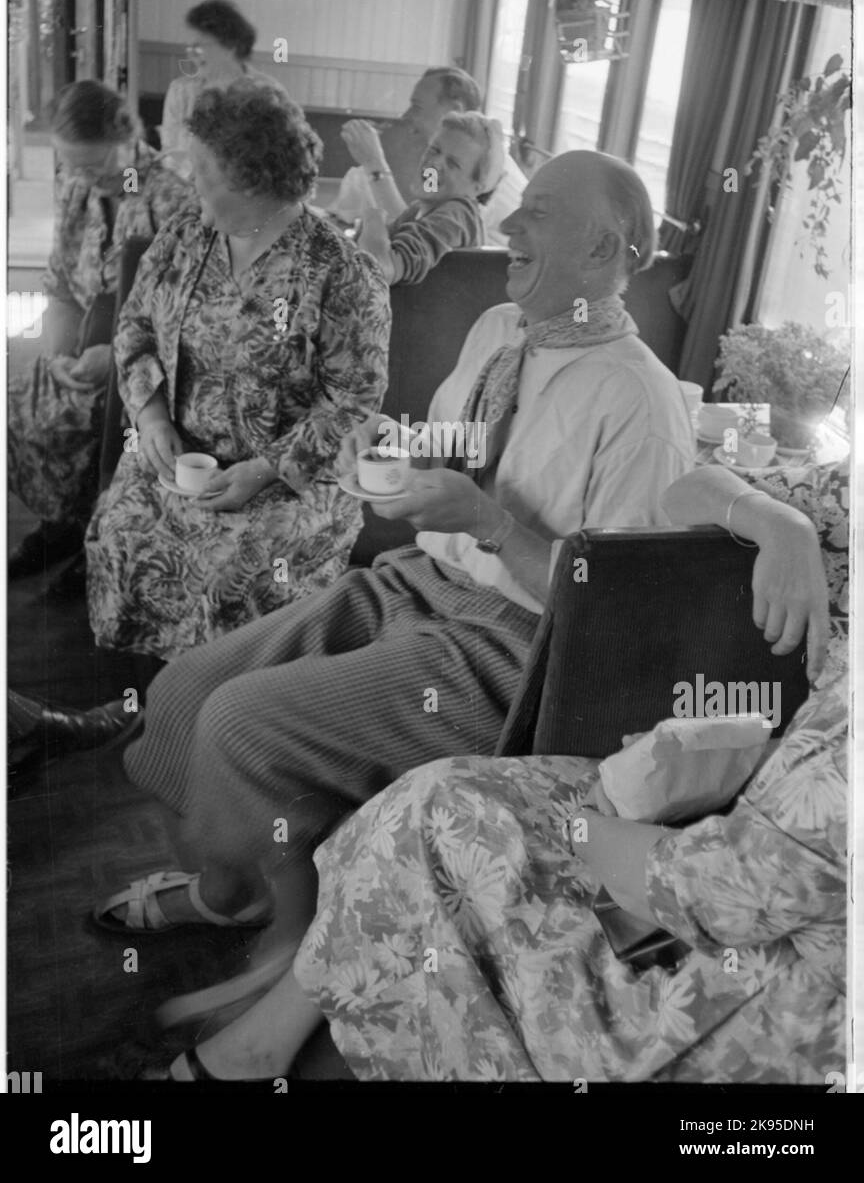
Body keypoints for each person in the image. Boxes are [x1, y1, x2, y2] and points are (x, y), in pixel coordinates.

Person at [67, 148, 694, 942]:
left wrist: (491, 525)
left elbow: (617, 619)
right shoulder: (502, 328)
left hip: (518, 648)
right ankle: (275, 867)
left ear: (602, 249)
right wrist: (393, 440)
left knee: (241, 722)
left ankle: (239, 902)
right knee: (187, 688)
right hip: (419, 583)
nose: (507, 223)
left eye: (536, 212)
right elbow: (455, 444)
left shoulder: (642, 402)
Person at [148, 457, 848, 1083]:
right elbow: (687, 487)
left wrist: (578, 824)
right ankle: (271, 1008)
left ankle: (288, 1002)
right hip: (732, 763)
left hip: (749, 942)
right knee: (425, 798)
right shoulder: (843, 501)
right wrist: (778, 520)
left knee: (413, 820)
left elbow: (711, 890)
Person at [84, 79, 390, 659]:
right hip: (178, 458)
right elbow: (135, 328)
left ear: (250, 180)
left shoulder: (342, 272)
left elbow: (353, 401)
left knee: (231, 570)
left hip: (287, 484)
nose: (190, 180)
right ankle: (148, 691)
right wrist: (150, 419)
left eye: (203, 170)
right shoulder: (186, 234)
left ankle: (205, 709)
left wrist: (263, 471)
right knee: (124, 525)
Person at [7, 81, 190, 586]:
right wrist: (60, 352)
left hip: (151, 362)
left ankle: (98, 537)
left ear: (126, 137)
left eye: (94, 165)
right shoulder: (75, 186)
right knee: (19, 406)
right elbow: (60, 282)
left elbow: (183, 314)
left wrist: (112, 355)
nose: (83, 178)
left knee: (88, 421)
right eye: (71, 165)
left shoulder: (170, 194)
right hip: (86, 337)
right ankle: (62, 523)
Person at [335, 65, 526, 244]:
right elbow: (421, 213)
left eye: (416, 107)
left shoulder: (486, 168)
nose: (406, 116)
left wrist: (374, 164)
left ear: (455, 111)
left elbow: (414, 235)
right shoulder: (438, 163)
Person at [357, 111, 507, 285]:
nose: (434, 163)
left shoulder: (459, 214)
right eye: (434, 150)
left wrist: (372, 219)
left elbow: (380, 269)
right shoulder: (419, 209)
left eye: (452, 164)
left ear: (477, 187)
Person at [160, 0, 283, 181]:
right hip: (190, 192)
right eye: (189, 47)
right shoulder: (181, 92)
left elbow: (279, 158)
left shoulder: (268, 92)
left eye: (199, 47)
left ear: (230, 45)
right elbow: (170, 154)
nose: (191, 54)